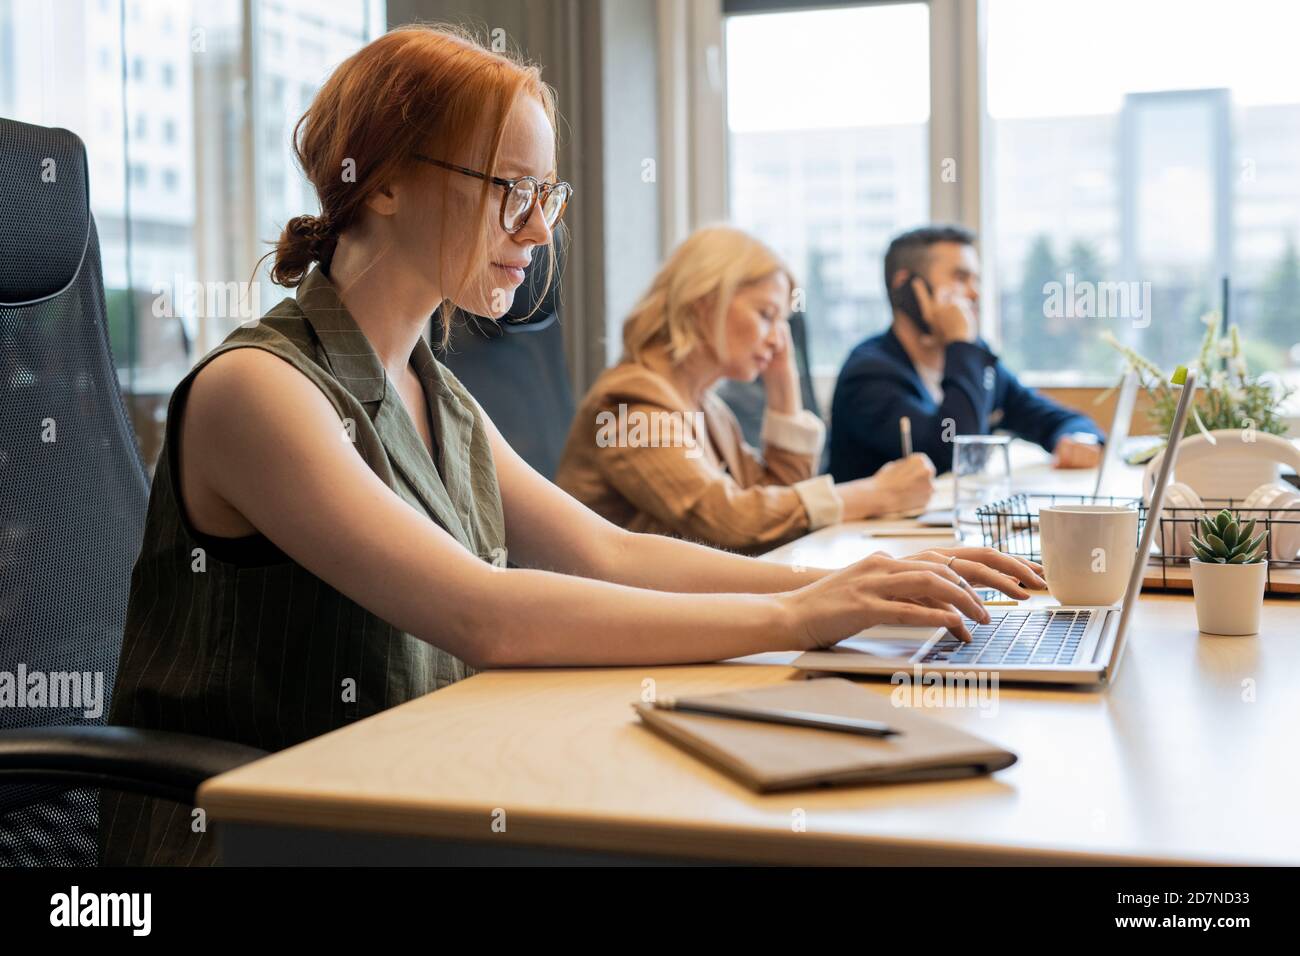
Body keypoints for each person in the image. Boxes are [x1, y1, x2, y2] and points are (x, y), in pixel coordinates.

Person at [100, 27, 1044, 866]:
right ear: (381, 180)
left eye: (546, 192)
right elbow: (487, 615)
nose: (541, 228)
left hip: (408, 793)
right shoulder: (258, 390)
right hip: (254, 836)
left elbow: (607, 552)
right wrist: (798, 620)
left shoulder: (435, 391)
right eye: (510, 188)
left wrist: (846, 585)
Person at [557, 226, 937, 553]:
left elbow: (776, 517)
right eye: (766, 315)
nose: (779, 340)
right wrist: (874, 494)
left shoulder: (706, 407)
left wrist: (784, 389)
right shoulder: (630, 405)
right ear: (704, 302)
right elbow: (726, 520)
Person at [829, 225, 1106, 482]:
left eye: (976, 280)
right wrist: (960, 343)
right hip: (871, 533)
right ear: (906, 286)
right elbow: (953, 457)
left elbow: (1053, 417)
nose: (975, 293)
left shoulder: (976, 360)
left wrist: (1077, 438)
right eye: (960, 278)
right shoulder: (869, 374)